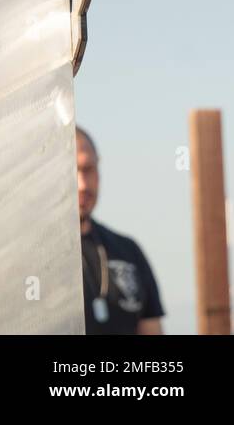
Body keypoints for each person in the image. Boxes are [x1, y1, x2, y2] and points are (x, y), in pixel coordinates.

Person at [76, 127, 164, 334]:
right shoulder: (34, 258)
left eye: (88, 169)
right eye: (71, 170)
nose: (82, 185)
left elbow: (152, 329)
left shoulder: (128, 251)